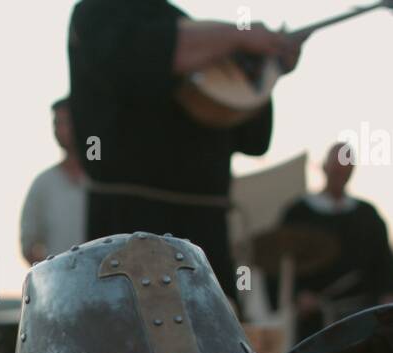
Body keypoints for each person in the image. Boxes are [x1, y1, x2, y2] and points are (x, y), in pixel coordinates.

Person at [68, 0, 302, 299]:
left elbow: (251, 140)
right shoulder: (97, 12)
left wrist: (266, 67)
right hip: (129, 235)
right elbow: (151, 56)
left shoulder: (193, 29)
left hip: (207, 244)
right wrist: (239, 37)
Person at [278, 143, 393, 339]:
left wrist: (390, 299)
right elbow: (278, 264)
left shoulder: (368, 215)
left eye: (345, 171)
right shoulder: (298, 213)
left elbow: (385, 264)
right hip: (312, 320)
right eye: (336, 170)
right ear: (324, 168)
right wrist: (297, 296)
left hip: (362, 316)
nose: (339, 176)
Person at [20, 98, 88, 265]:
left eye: (67, 122)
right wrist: (54, 277)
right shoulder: (43, 184)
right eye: (57, 123)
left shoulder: (105, 183)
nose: (61, 129)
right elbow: (28, 245)